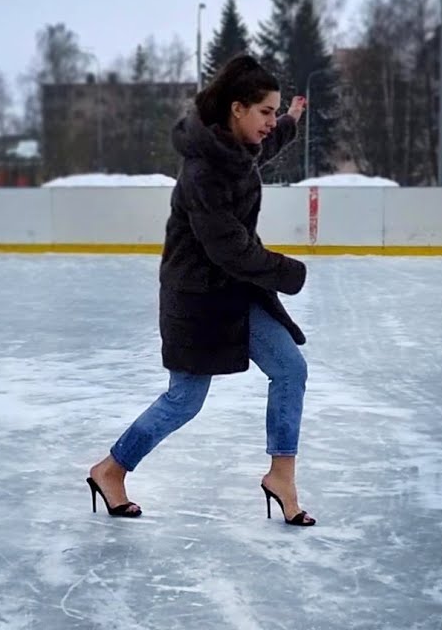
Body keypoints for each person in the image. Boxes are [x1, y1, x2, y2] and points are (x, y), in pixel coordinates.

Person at [86, 54, 316, 526]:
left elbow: (264, 150)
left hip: (234, 293)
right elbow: (229, 248)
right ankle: (110, 470)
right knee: (185, 400)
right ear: (237, 109)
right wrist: (288, 273)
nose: (271, 122)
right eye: (266, 112)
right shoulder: (203, 172)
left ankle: (282, 476)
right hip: (197, 300)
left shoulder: (235, 150)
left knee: (290, 369)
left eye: (275, 112)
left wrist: (292, 118)